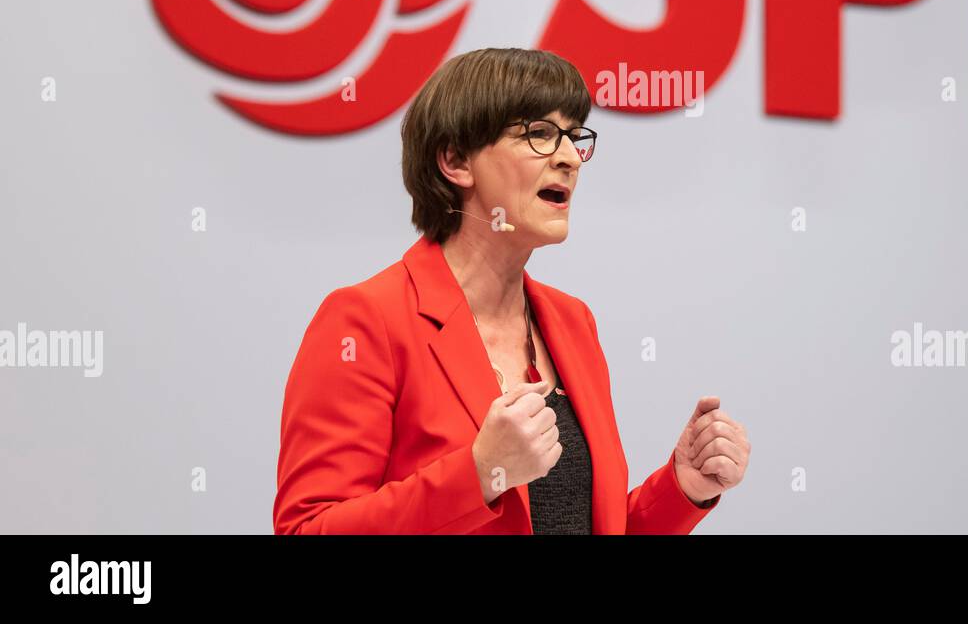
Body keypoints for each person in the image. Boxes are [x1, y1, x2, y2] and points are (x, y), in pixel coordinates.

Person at [273, 47, 749, 533]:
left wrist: (682, 488)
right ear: (456, 161)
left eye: (573, 136)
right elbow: (308, 527)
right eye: (539, 134)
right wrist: (477, 476)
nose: (568, 158)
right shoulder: (366, 319)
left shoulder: (572, 321)